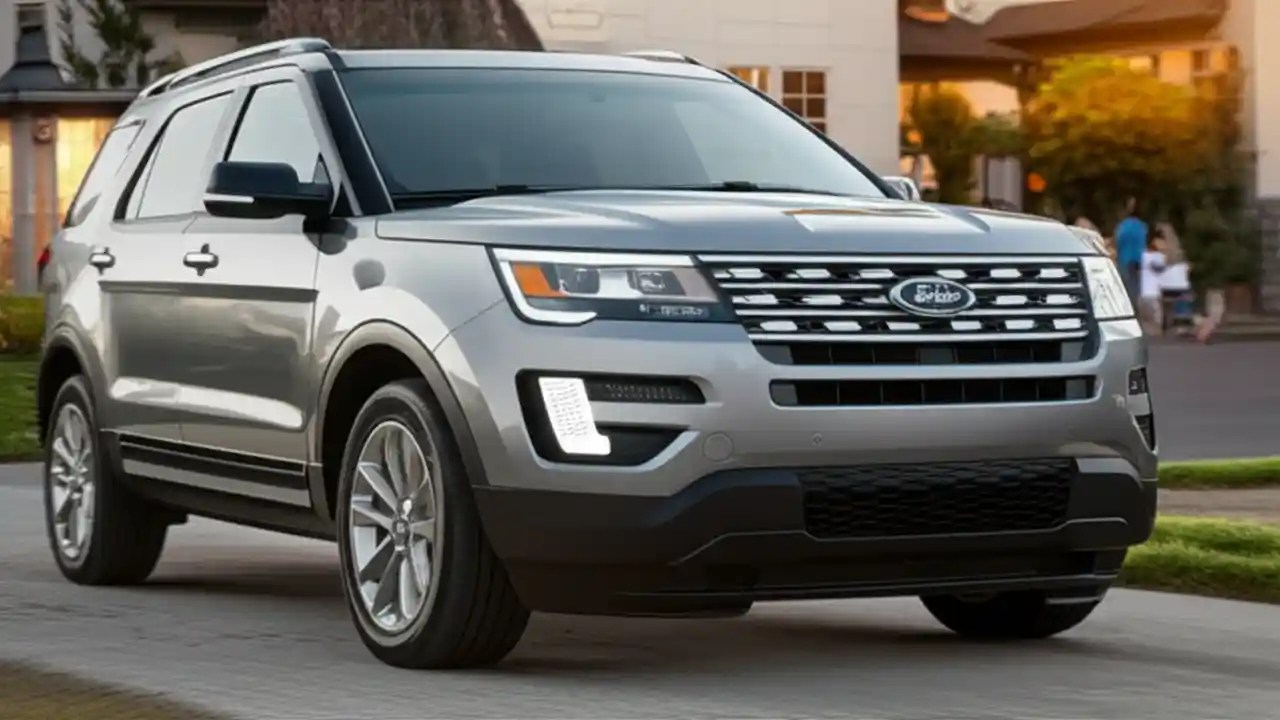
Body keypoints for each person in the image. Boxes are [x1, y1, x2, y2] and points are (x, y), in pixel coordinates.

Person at [1114, 197, 1148, 307]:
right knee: (1137, 288)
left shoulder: (1122, 226)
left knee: (1126, 288)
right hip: (1140, 260)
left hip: (1125, 260)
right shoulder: (1143, 226)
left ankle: (1129, 309)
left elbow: (1118, 242)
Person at [1139, 233, 1166, 334]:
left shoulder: (1146, 256)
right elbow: (1158, 268)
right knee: (1155, 319)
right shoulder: (1149, 256)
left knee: (1150, 320)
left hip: (1149, 293)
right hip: (1150, 294)